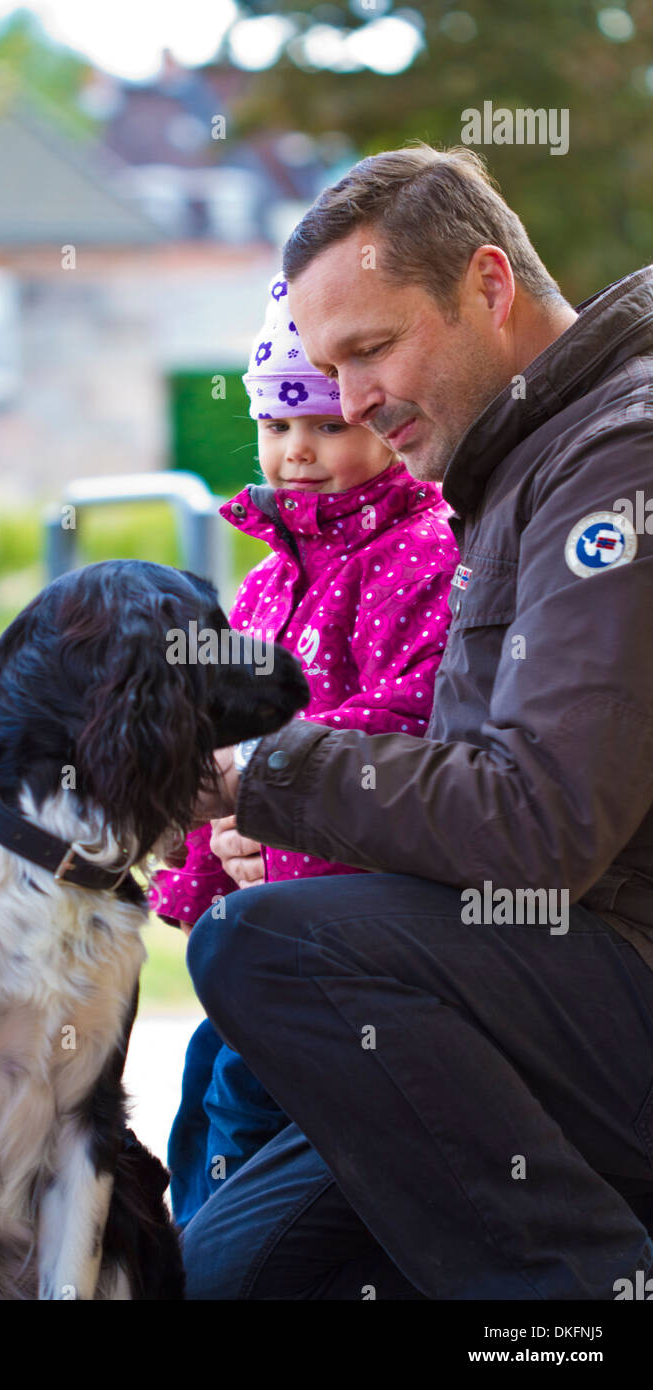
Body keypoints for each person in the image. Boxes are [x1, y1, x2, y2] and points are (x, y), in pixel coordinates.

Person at [177, 144, 653, 1300]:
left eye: (370, 349)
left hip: (612, 973)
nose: (345, 405)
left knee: (267, 942)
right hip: (532, 980)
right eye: (325, 367)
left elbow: (541, 820)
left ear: (488, 287)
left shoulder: (613, 464)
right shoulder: (514, 463)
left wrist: (254, 769)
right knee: (224, 1276)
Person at [149, 271, 458, 1226]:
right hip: (262, 918)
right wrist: (196, 861)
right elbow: (221, 744)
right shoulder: (261, 588)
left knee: (256, 1109)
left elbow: (409, 718)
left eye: (327, 425)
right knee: (207, 1088)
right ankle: (193, 1249)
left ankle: (226, 1255)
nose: (299, 454)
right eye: (278, 428)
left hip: (349, 919)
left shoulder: (422, 554)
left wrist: (271, 808)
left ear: (386, 420)